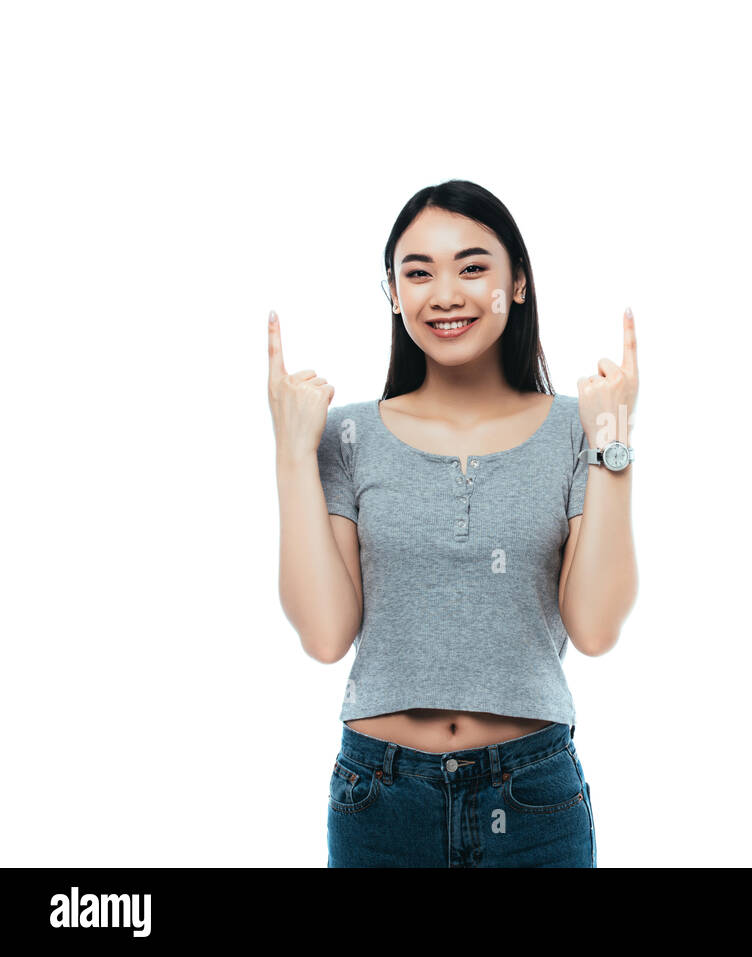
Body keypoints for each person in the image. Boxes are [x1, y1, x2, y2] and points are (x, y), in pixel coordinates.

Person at [267, 180, 638, 866]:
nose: (444, 293)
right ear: (393, 291)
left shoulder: (576, 429)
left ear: (517, 282)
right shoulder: (345, 435)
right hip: (380, 799)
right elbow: (324, 635)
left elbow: (595, 627)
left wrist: (612, 440)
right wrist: (292, 452)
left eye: (472, 267)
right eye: (418, 272)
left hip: (534, 798)